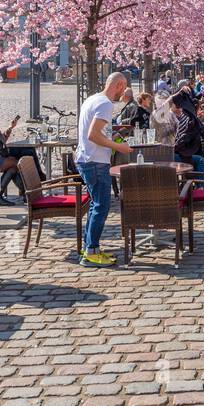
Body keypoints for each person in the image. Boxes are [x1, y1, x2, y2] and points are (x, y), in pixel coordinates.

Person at [75, 72, 134, 267]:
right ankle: (91, 252)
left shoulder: (92, 99)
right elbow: (93, 135)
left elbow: (97, 132)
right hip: (95, 161)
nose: (123, 93)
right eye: (123, 87)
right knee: (101, 206)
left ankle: (90, 247)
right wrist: (120, 147)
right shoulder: (106, 104)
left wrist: (114, 137)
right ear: (118, 84)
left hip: (87, 158)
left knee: (95, 205)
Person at [171, 88, 204, 179]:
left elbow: (201, 130)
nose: (178, 108)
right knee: (200, 160)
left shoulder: (188, 118)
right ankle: (199, 187)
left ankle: (198, 187)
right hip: (173, 153)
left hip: (183, 150)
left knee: (199, 160)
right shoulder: (171, 118)